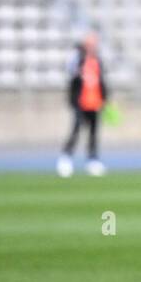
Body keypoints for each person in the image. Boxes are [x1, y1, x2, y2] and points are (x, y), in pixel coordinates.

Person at [58, 32, 108, 178]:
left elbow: (101, 82)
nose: (94, 46)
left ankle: (92, 159)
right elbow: (71, 73)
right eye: (91, 43)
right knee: (76, 129)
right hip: (80, 101)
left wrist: (105, 99)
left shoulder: (97, 60)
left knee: (93, 132)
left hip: (94, 102)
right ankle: (66, 158)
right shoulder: (77, 58)